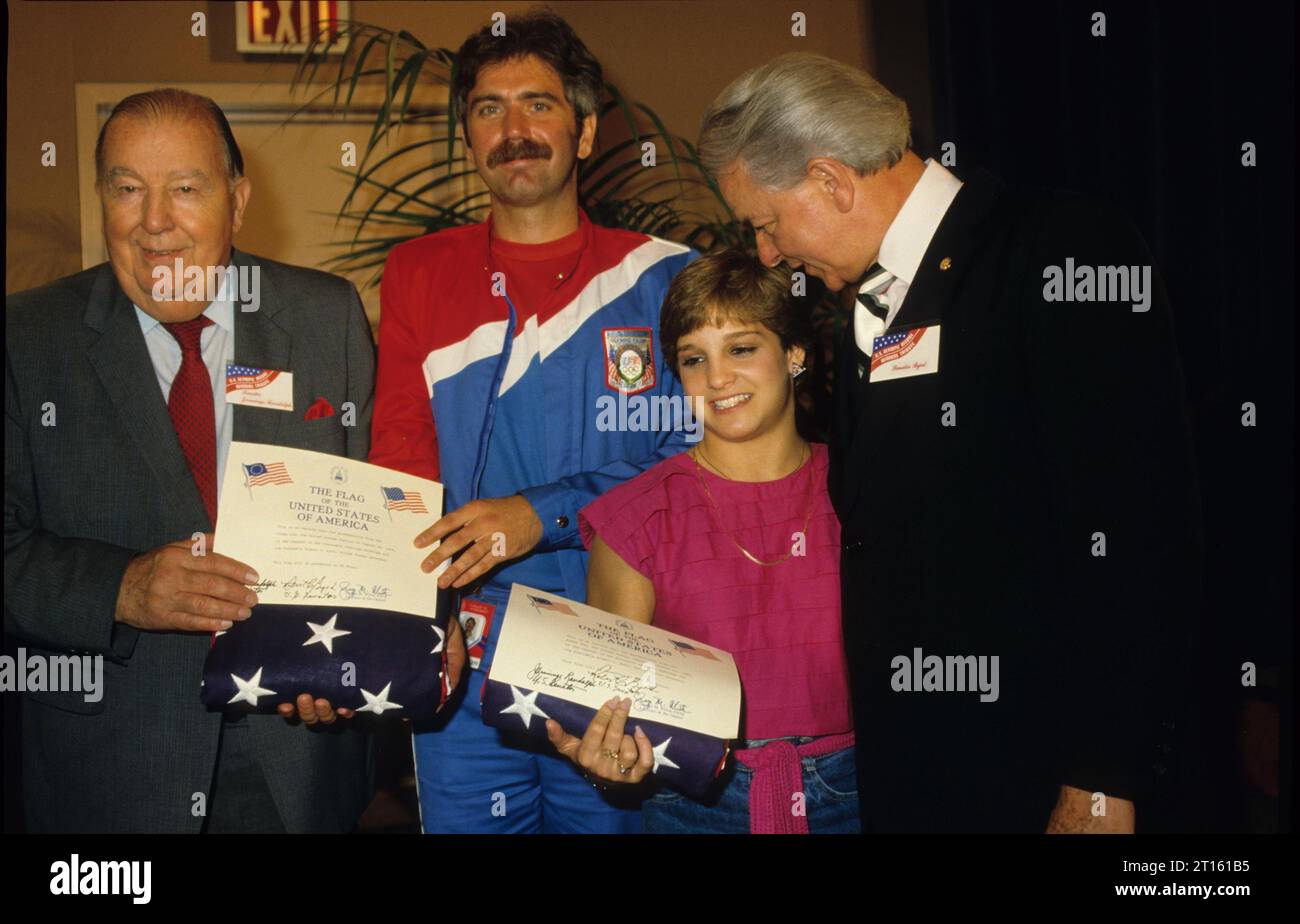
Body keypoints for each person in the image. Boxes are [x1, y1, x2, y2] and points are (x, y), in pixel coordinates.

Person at [696, 53, 1202, 832]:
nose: (766, 254)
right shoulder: (868, 302)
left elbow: (1136, 528)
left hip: (1044, 778)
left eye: (765, 223)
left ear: (830, 180)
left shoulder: (1057, 247)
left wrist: (1104, 774)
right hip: (925, 776)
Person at [4, 89, 383, 832]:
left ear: (237, 202)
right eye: (127, 190)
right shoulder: (27, 340)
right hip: (110, 771)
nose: (155, 223)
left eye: (185, 188)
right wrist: (121, 587)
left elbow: (371, 527)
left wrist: (355, 657)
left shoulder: (326, 316)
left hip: (297, 763)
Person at [369, 10, 696, 834]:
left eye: (539, 105)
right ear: (469, 137)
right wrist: (419, 621)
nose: (514, 130)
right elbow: (399, 464)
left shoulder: (664, 279)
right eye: (488, 109)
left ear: (586, 132)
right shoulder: (417, 274)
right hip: (465, 658)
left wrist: (539, 514)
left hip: (624, 655)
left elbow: (695, 467)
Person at [546, 249, 858, 835]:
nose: (717, 378)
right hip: (696, 804)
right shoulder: (635, 518)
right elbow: (614, 734)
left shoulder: (864, 489)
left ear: (795, 354)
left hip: (866, 792)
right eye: (694, 359)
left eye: (741, 348)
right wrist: (611, 765)